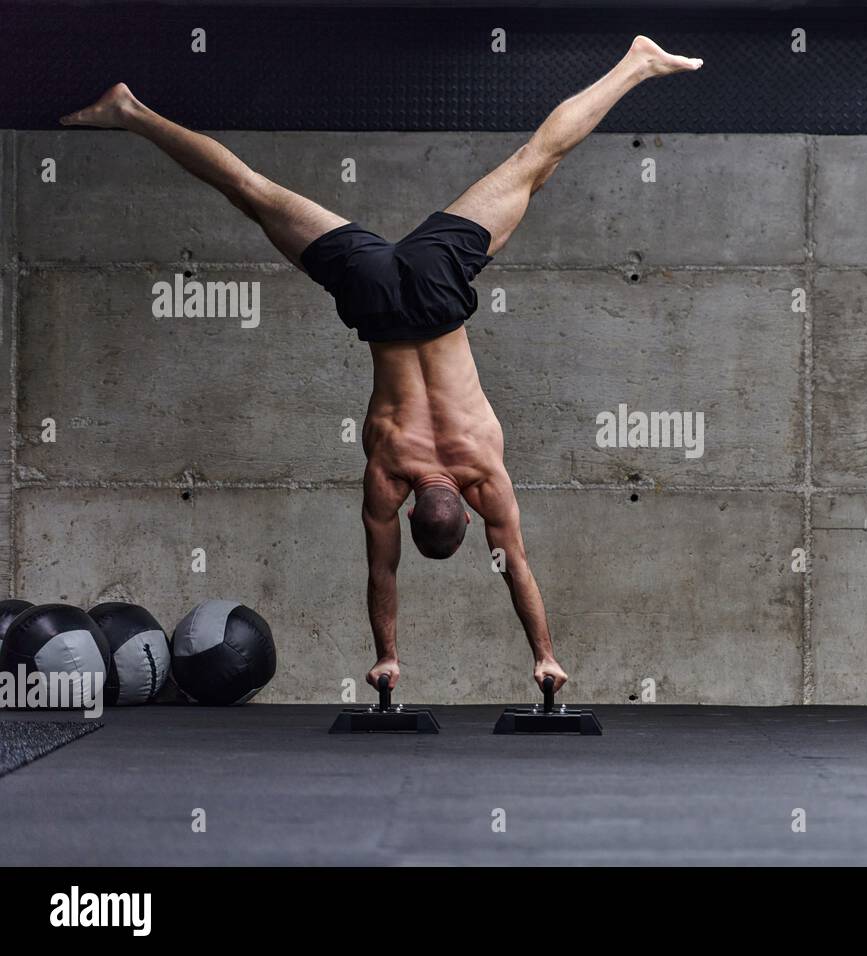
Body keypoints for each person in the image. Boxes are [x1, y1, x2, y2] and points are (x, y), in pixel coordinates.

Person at [61, 36, 703, 694]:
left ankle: (636, 64)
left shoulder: (483, 473)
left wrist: (545, 653)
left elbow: (510, 568)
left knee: (534, 161)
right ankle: (132, 113)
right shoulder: (389, 475)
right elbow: (383, 574)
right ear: (418, 506)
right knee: (252, 192)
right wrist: (387, 657)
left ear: (465, 509)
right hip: (375, 295)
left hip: (436, 286)